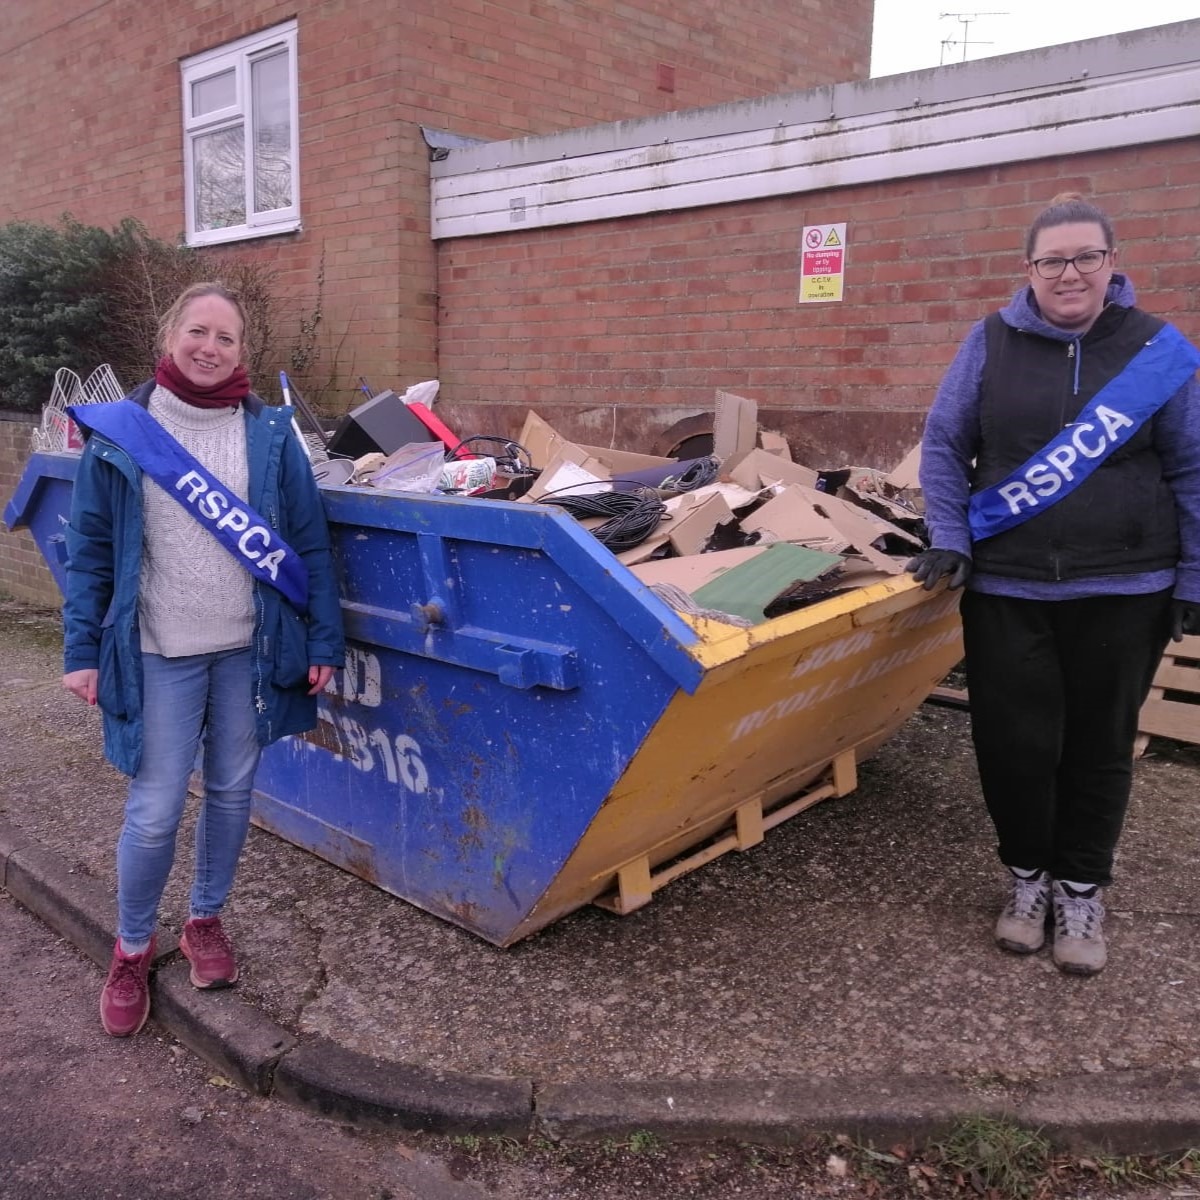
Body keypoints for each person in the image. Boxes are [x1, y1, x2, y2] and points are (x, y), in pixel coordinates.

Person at [909, 193, 1200, 977]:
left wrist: (1194, 574)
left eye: (1085, 257)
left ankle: (1081, 888)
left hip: (1127, 583)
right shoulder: (990, 342)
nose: (1069, 274)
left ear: (1112, 263)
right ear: (1028, 270)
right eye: (1052, 260)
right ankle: (1026, 880)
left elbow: (1192, 465)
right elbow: (944, 447)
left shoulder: (1156, 351)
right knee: (1013, 746)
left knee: (1099, 747)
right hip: (1010, 586)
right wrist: (951, 538)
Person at [61, 282, 345, 1036]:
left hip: (247, 655)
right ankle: (130, 946)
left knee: (230, 795)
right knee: (154, 812)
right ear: (169, 334)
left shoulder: (273, 435)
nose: (210, 347)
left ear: (242, 351)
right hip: (160, 652)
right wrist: (80, 648)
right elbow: (89, 552)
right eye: (198, 331)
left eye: (225, 337)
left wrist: (323, 639)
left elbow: (308, 545)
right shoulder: (123, 431)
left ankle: (205, 921)